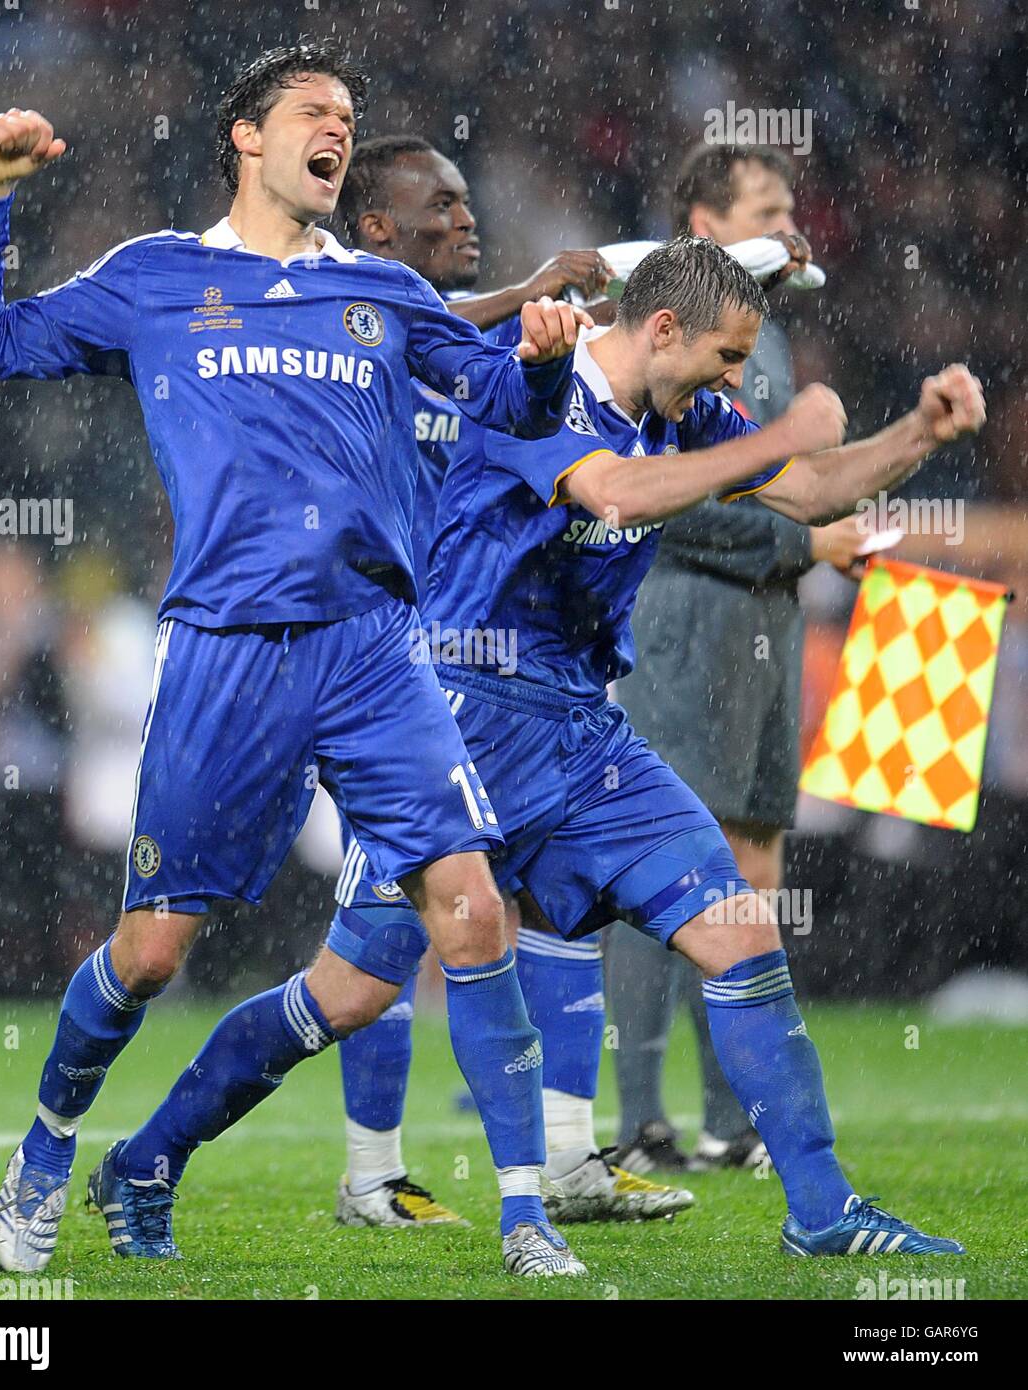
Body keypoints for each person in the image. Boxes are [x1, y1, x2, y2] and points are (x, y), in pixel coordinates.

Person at [0, 40, 592, 1279]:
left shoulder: (386, 295)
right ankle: (48, 1147)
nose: (336, 129)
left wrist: (548, 361)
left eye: (348, 114)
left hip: (371, 647)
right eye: (312, 110)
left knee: (470, 901)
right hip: (228, 653)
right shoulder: (159, 278)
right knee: (150, 953)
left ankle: (524, 1214)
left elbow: (509, 410)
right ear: (247, 135)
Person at [239, 229, 984, 1257]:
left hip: (583, 733)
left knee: (737, 927)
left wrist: (917, 435)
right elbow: (619, 494)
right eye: (726, 356)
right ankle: (162, 1148)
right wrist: (777, 438)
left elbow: (807, 489)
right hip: (455, 718)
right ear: (664, 326)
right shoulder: (530, 387)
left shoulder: (687, 413)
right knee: (348, 987)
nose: (736, 378)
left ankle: (818, 1208)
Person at [326, 134, 695, 1228]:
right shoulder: (349, 319)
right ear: (376, 229)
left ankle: (572, 1156)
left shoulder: (484, 358)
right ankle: (368, 1172)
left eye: (466, 194)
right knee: (390, 910)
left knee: (557, 900)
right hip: (387, 659)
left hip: (518, 663)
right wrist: (531, 293)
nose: (464, 213)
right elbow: (392, 327)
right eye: (437, 203)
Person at [607, 143, 868, 1175]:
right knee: (664, 865)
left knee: (751, 861)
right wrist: (804, 542)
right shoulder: (666, 333)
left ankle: (728, 1115)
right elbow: (673, 509)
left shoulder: (766, 332)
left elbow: (781, 486)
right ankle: (637, 1118)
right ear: (706, 226)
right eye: (767, 208)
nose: (792, 224)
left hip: (763, 626)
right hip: (686, 621)